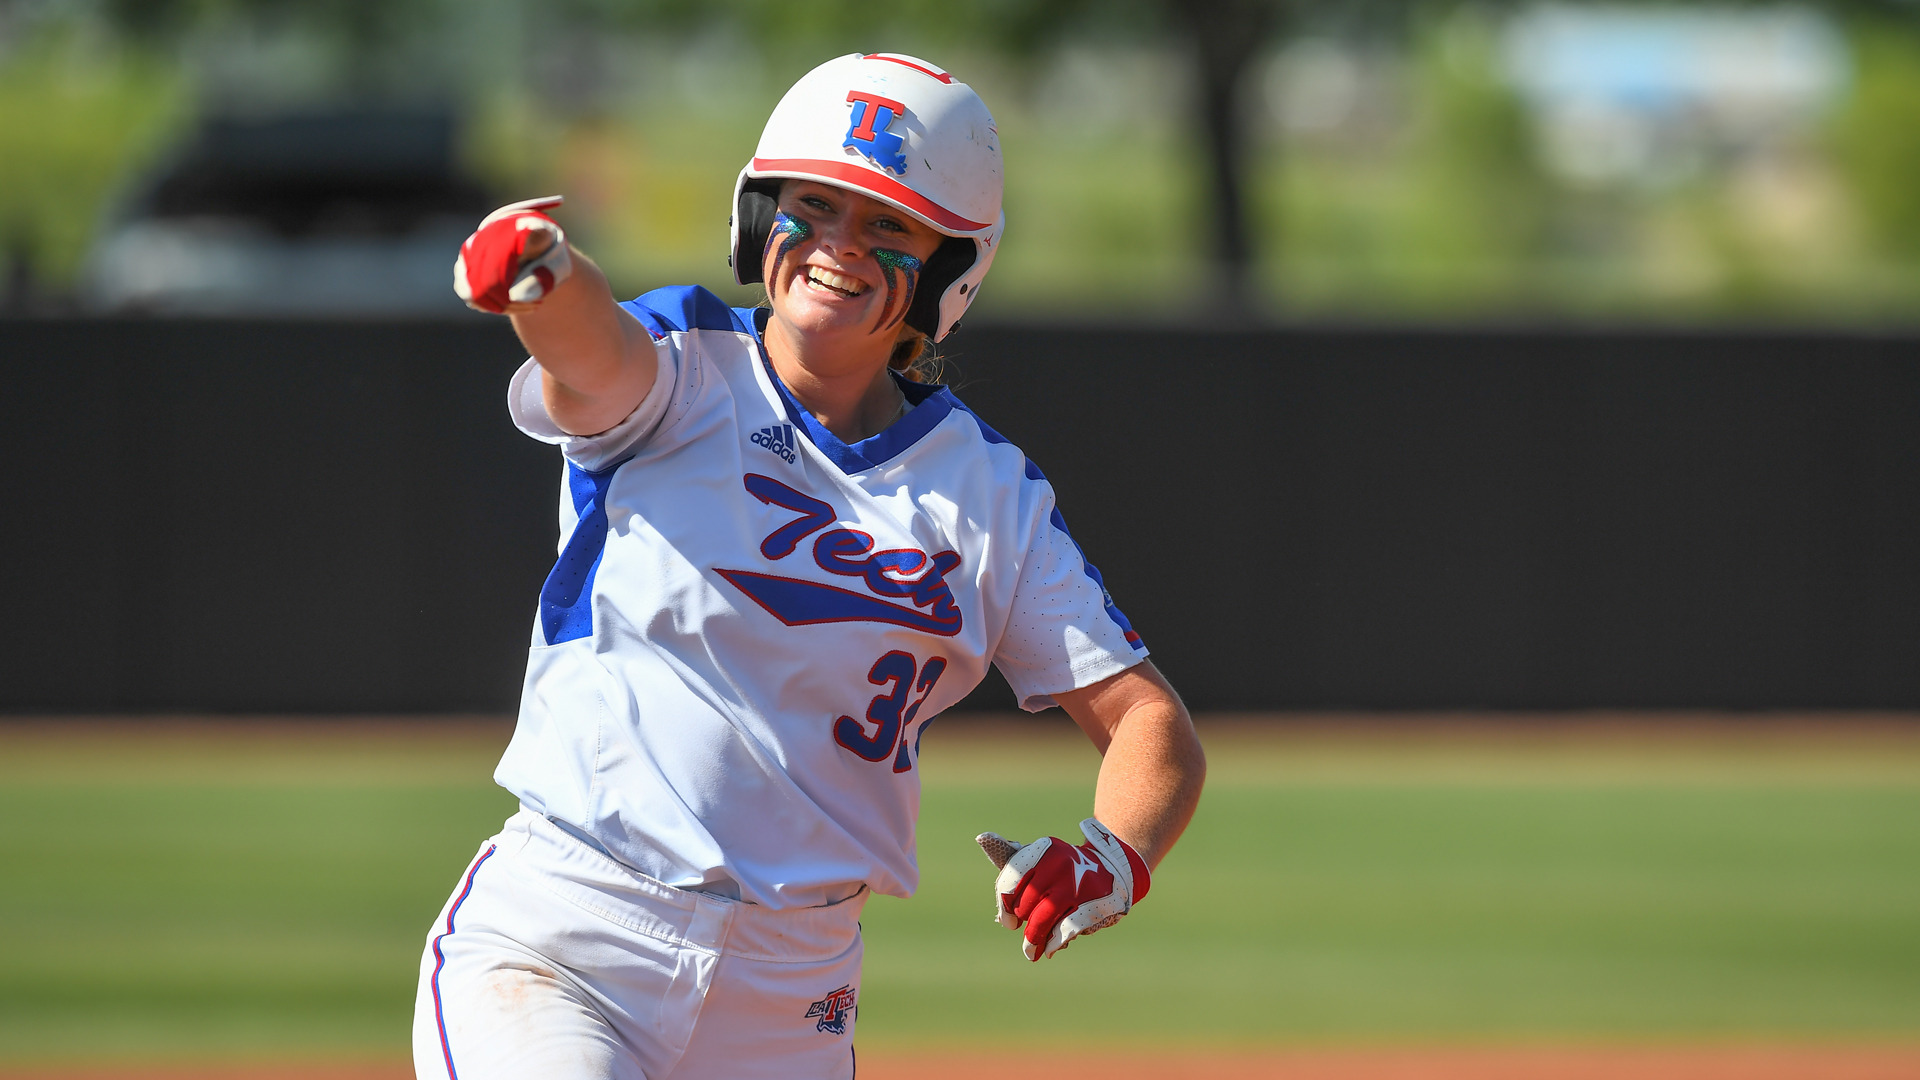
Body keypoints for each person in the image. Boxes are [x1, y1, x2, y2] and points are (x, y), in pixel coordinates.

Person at [414, 52, 1205, 1080]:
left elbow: (1148, 723)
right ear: (759, 218)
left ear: (950, 268)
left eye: (887, 225)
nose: (837, 245)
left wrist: (1112, 859)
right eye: (813, 205)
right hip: (570, 938)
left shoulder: (987, 492)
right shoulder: (686, 365)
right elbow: (590, 350)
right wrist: (544, 274)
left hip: (797, 997)